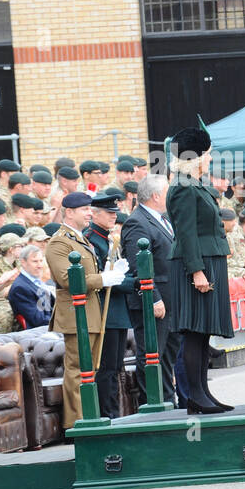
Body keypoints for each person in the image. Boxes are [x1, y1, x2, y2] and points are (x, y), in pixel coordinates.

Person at [165, 125, 235, 414]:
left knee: (204, 333)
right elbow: (186, 233)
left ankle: (203, 392)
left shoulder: (194, 184)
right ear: (195, 158)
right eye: (207, 154)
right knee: (195, 332)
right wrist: (197, 271)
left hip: (208, 261)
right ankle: (194, 396)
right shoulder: (182, 188)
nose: (210, 158)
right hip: (197, 265)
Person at [46, 192, 127, 427]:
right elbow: (69, 280)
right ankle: (76, 423)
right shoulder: (60, 241)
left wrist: (110, 273)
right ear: (69, 212)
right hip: (75, 314)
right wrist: (104, 278)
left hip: (90, 312)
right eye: (84, 210)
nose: (90, 213)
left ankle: (89, 417)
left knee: (89, 369)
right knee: (77, 370)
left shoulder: (80, 239)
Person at [121, 173, 179, 406]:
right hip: (153, 302)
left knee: (167, 356)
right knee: (152, 355)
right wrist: (153, 297)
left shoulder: (162, 219)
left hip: (171, 299)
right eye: (167, 192)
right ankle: (153, 403)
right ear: (156, 196)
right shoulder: (137, 222)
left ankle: (168, 401)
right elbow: (138, 266)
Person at [84, 189, 136, 419]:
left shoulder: (107, 238)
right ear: (94, 214)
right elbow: (103, 279)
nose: (113, 216)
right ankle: (109, 415)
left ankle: (115, 413)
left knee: (115, 367)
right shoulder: (91, 241)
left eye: (115, 212)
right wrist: (134, 283)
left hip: (117, 310)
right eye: (108, 212)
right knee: (106, 369)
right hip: (105, 310)